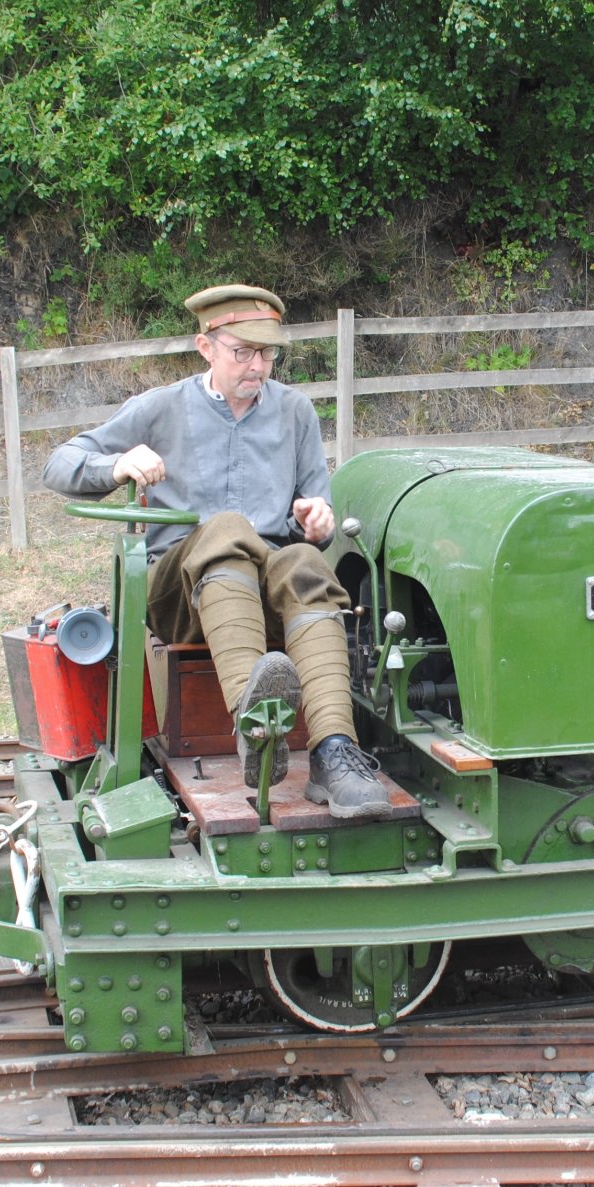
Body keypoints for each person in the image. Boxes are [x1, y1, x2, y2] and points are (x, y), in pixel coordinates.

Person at [41, 284, 392, 820]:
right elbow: (59, 464)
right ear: (205, 347)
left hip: (265, 585)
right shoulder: (160, 408)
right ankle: (254, 729)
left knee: (305, 564)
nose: (258, 366)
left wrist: (316, 520)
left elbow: (316, 509)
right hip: (180, 594)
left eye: (268, 353)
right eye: (243, 353)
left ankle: (333, 753)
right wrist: (117, 466)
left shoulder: (295, 413)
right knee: (226, 533)